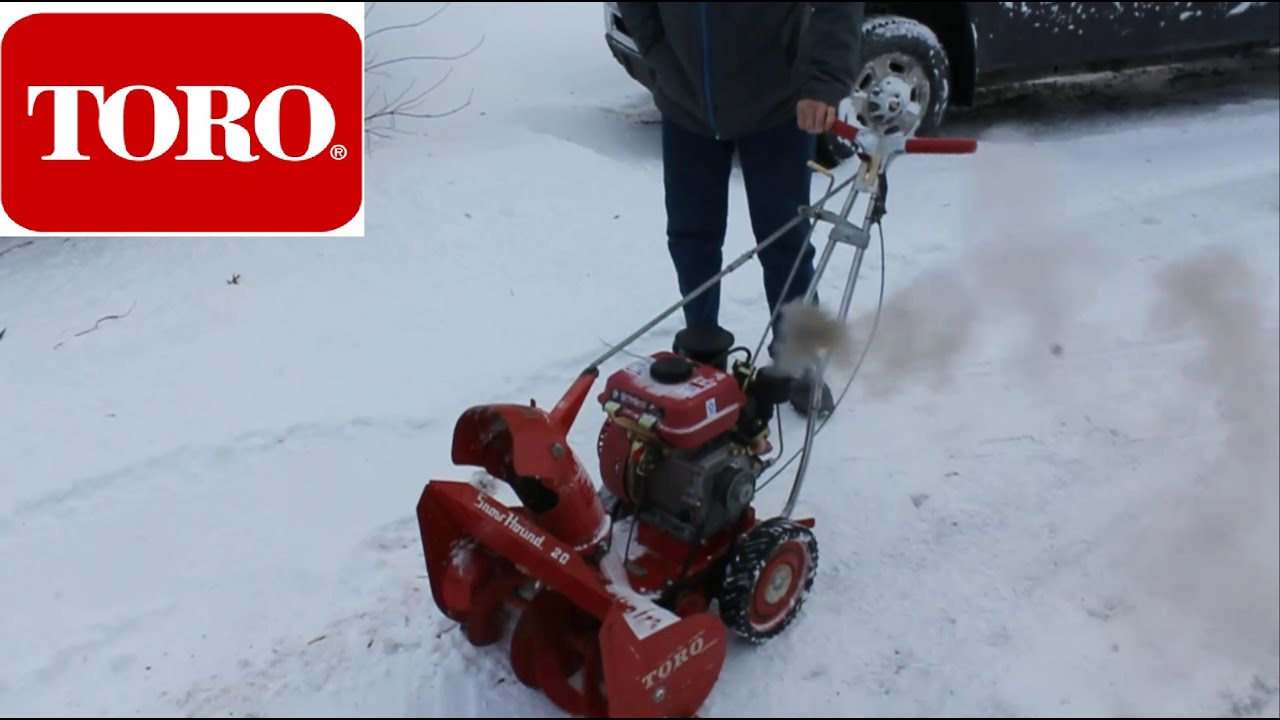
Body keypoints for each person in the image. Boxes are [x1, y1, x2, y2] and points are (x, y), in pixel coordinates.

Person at [616, 2, 864, 417]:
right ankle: (701, 347)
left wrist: (822, 82)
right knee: (691, 237)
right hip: (686, 103)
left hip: (777, 104)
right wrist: (658, 52)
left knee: (785, 239)